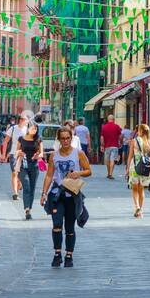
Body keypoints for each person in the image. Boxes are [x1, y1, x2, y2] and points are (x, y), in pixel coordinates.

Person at [40, 127, 92, 268]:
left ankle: (69, 255)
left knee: (69, 227)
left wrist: (78, 173)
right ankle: (57, 254)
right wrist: (44, 193)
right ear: (59, 139)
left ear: (71, 138)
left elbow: (89, 171)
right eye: (62, 138)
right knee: (57, 224)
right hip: (57, 194)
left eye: (67, 138)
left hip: (72, 195)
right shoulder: (54, 156)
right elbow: (49, 175)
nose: (65, 141)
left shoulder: (78, 153)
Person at [15, 119, 43, 220]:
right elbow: (16, 151)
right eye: (32, 128)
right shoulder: (21, 138)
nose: (34, 130)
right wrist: (19, 153)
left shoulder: (38, 139)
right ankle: (26, 209)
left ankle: (29, 210)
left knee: (32, 188)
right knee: (26, 186)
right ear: (28, 128)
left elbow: (42, 153)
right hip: (23, 165)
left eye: (36, 129)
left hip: (34, 166)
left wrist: (37, 155)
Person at [127, 123, 150, 219]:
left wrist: (127, 169)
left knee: (134, 188)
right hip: (145, 167)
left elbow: (130, 155)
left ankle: (137, 207)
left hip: (135, 166)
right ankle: (141, 210)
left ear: (140, 131)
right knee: (141, 189)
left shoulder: (135, 141)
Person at [101, 113, 123, 179]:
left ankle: (108, 173)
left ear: (108, 119)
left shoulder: (104, 127)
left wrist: (102, 145)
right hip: (115, 146)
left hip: (107, 146)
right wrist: (120, 142)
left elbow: (102, 137)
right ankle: (110, 173)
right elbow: (120, 136)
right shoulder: (117, 126)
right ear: (113, 119)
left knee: (107, 160)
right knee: (112, 159)